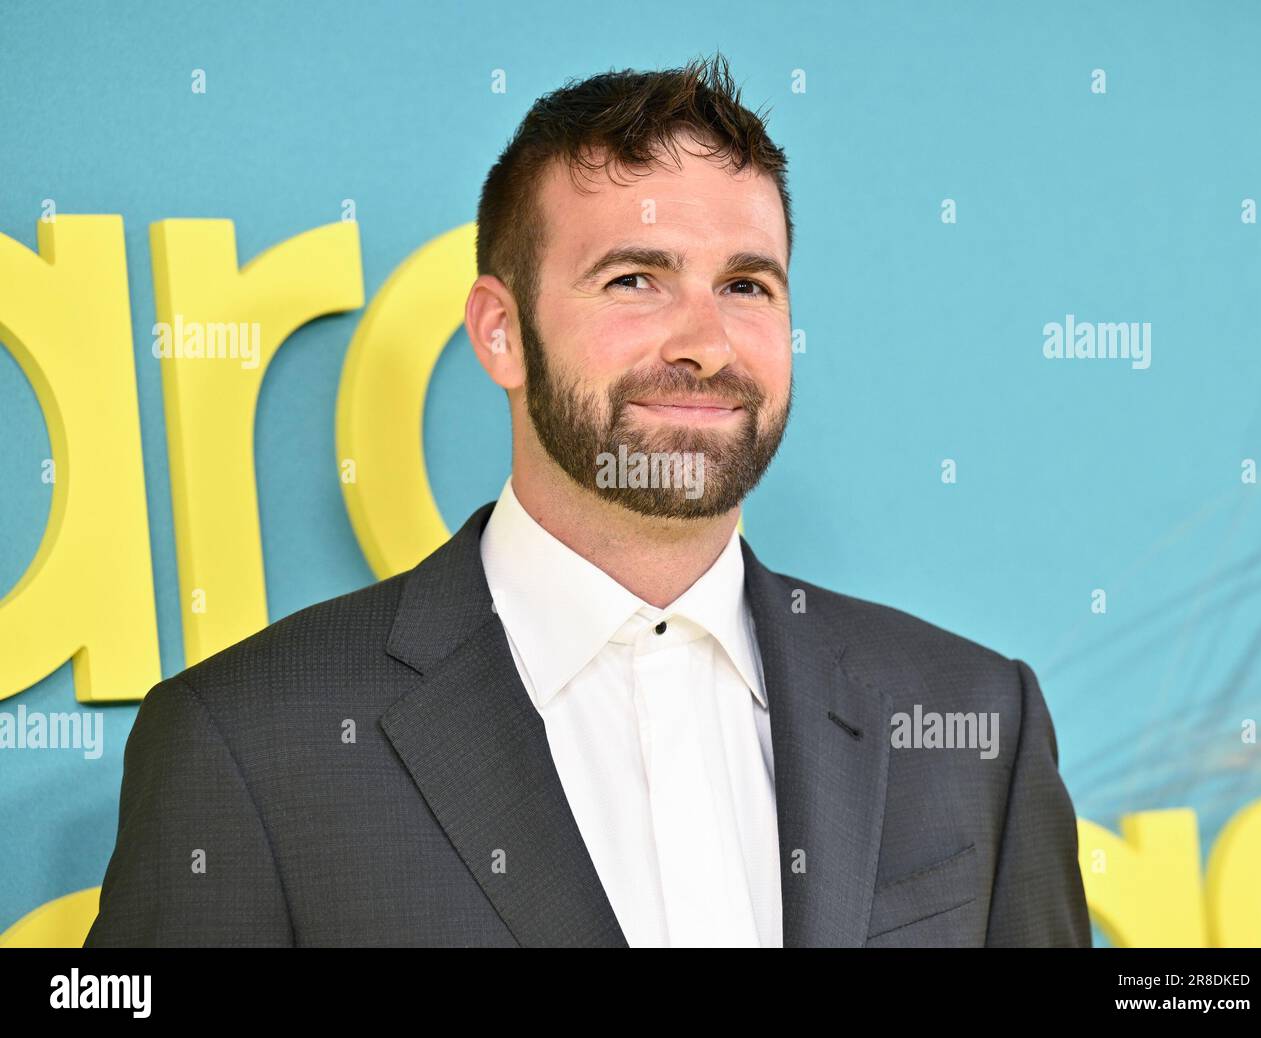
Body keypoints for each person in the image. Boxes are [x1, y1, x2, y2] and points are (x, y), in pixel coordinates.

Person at [85, 52, 1091, 948]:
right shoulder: (251, 744)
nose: (704, 341)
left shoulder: (970, 719)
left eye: (747, 286)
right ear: (499, 333)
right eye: (634, 281)